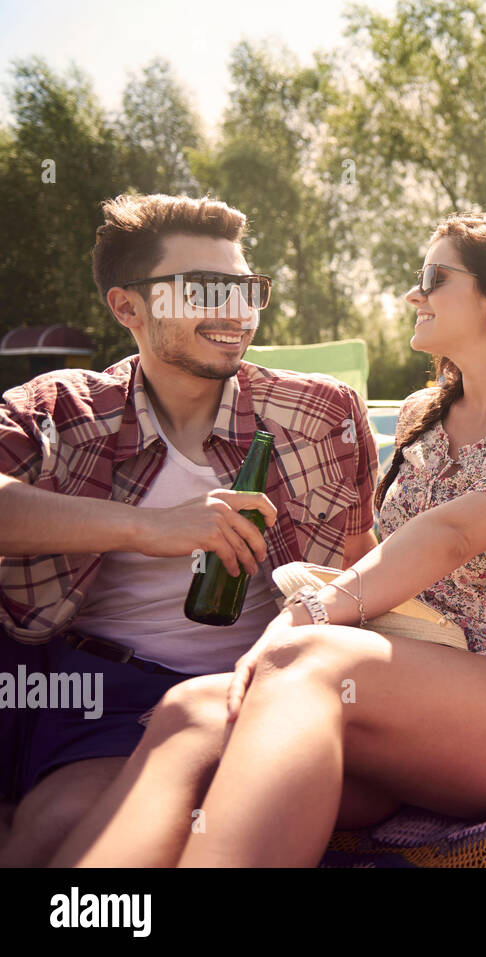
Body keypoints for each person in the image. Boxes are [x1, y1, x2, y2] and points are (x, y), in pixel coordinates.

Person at [52, 212, 486, 867]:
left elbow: (455, 533)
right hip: (405, 693)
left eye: (433, 277)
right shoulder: (419, 418)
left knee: (310, 660)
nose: (413, 294)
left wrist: (313, 609)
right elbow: (386, 550)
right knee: (190, 710)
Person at [0, 194, 378, 866]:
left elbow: (359, 563)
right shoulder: (63, 408)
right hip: (93, 684)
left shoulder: (319, 411)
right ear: (128, 307)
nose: (236, 312)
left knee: (58, 824)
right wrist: (154, 529)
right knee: (49, 825)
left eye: (245, 289)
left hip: (248, 687)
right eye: (205, 290)